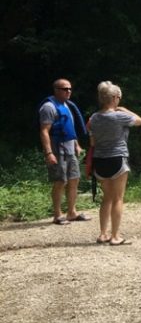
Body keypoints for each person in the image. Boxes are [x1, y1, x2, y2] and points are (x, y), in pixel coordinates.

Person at [87, 81, 141, 245]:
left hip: (100, 160)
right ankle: (115, 236)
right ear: (114, 98)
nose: (119, 100)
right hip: (117, 158)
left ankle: (103, 234)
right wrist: (125, 109)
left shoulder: (94, 118)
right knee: (118, 198)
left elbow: (92, 141)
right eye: (119, 98)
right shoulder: (119, 116)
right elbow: (139, 121)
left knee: (107, 198)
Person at [39, 78, 91, 225]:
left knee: (74, 179)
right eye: (64, 89)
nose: (68, 91)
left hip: (70, 147)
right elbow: (44, 131)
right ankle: (57, 215)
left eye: (69, 89)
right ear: (56, 90)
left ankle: (71, 213)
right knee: (60, 181)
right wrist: (49, 153)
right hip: (57, 148)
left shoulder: (67, 106)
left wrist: (76, 144)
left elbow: (69, 128)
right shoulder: (49, 107)